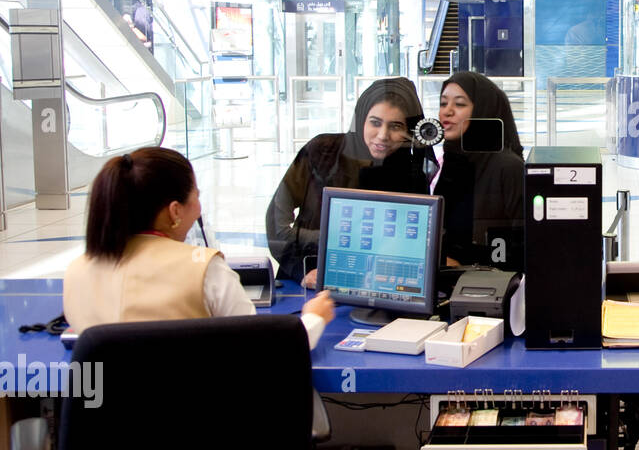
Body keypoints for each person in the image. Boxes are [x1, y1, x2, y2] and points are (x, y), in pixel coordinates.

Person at [65, 147, 334, 332]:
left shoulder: (77, 272)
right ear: (175, 211)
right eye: (196, 195)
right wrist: (313, 318)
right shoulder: (204, 269)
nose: (199, 207)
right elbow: (262, 352)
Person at [267, 78, 427, 287]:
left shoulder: (411, 174)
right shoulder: (323, 151)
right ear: (361, 119)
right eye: (375, 122)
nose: (382, 135)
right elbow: (277, 221)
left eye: (396, 126)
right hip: (306, 278)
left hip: (372, 284)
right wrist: (302, 270)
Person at [433, 72, 526, 267]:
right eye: (443, 103)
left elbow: (522, 249)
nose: (447, 112)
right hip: (446, 286)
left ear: (483, 111)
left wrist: (462, 267)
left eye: (459, 104)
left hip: (492, 289)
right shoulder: (451, 160)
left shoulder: (508, 168)